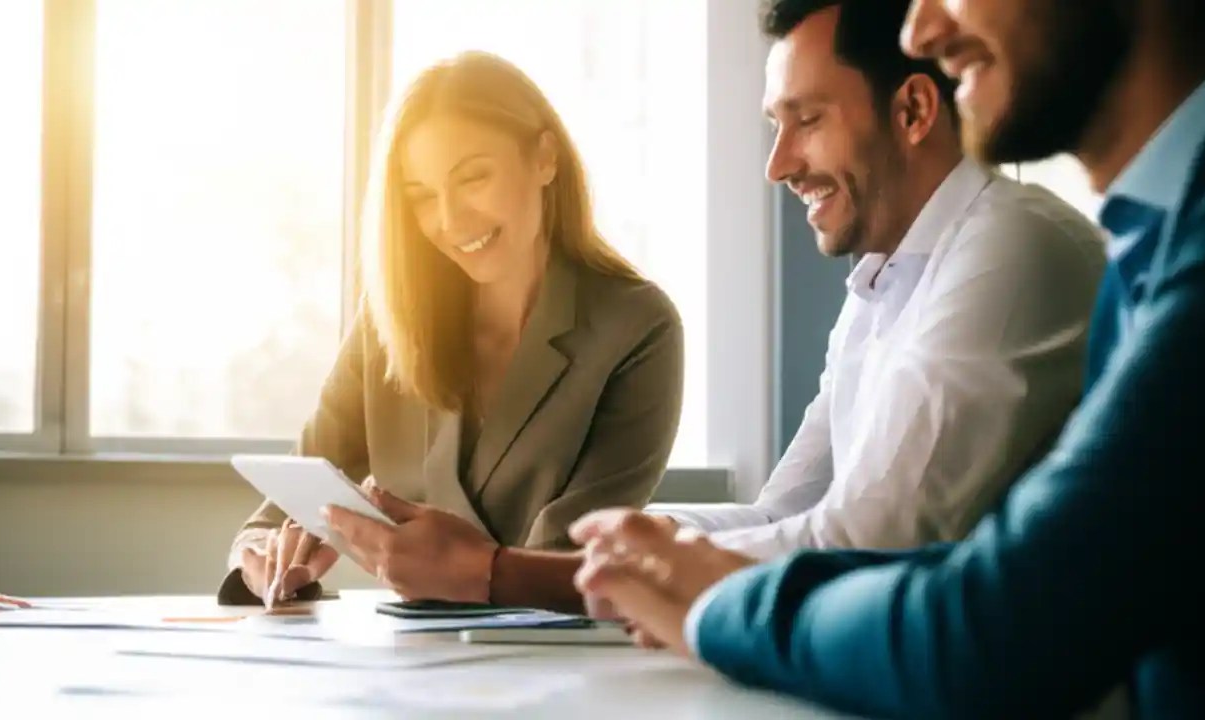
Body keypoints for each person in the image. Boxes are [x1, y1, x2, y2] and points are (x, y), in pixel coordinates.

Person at [317, 0, 1104, 612]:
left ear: (913, 112)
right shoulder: (883, 283)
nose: (777, 164)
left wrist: (501, 572)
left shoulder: (1010, 244)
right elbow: (782, 512)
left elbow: (867, 541)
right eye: (776, 124)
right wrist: (618, 538)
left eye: (807, 120)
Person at [572, 0, 1205, 717]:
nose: (922, 33)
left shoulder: (1055, 244)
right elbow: (810, 517)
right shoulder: (1154, 234)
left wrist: (714, 602)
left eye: (806, 119)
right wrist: (632, 555)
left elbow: (987, 617)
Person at [216, 51, 684, 607]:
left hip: (552, 660)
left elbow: (572, 565)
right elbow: (284, 503)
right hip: (407, 659)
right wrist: (266, 556)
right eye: (420, 196)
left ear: (544, 159)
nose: (450, 220)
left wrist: (453, 567)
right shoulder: (390, 318)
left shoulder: (637, 329)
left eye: (474, 178)